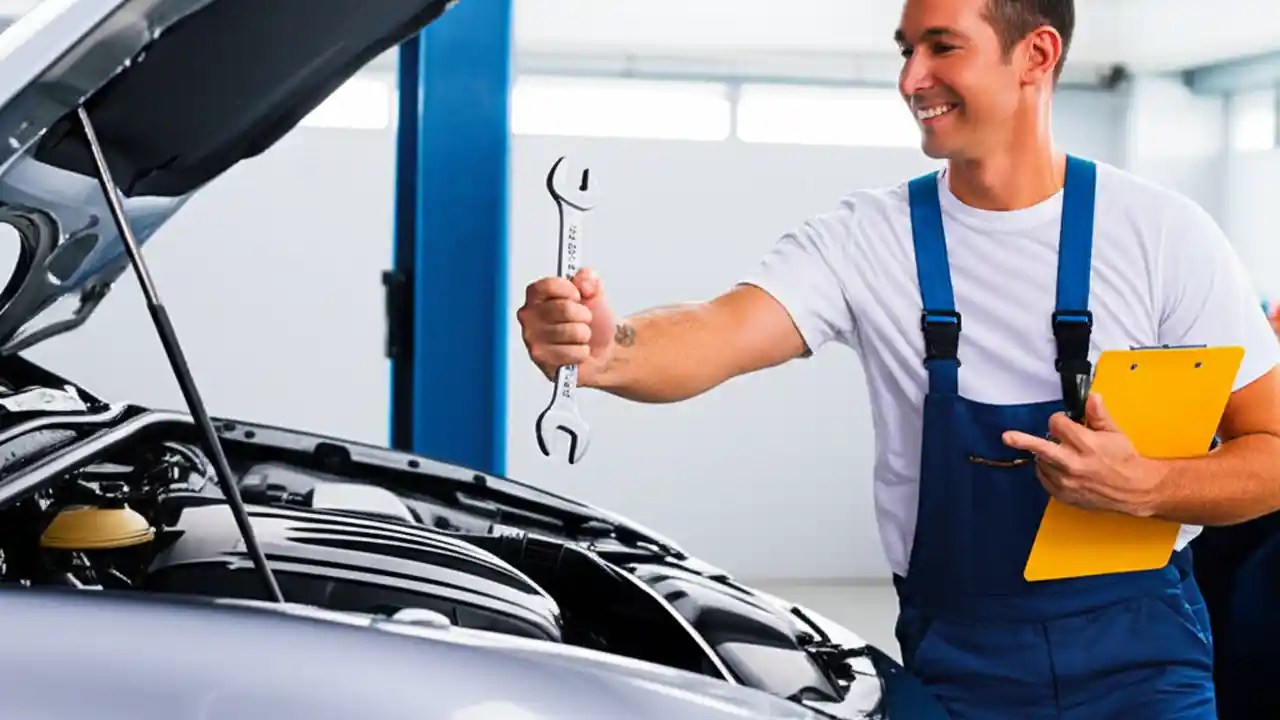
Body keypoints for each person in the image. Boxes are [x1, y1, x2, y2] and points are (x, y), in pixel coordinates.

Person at [516, 0, 1280, 716]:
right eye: (907, 51)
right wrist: (608, 349)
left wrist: (1149, 486)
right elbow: (720, 329)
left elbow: (1272, 453)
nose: (912, 78)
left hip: (1141, 659)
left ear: (1035, 54)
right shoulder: (865, 238)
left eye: (943, 47)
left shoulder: (1164, 237)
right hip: (959, 661)